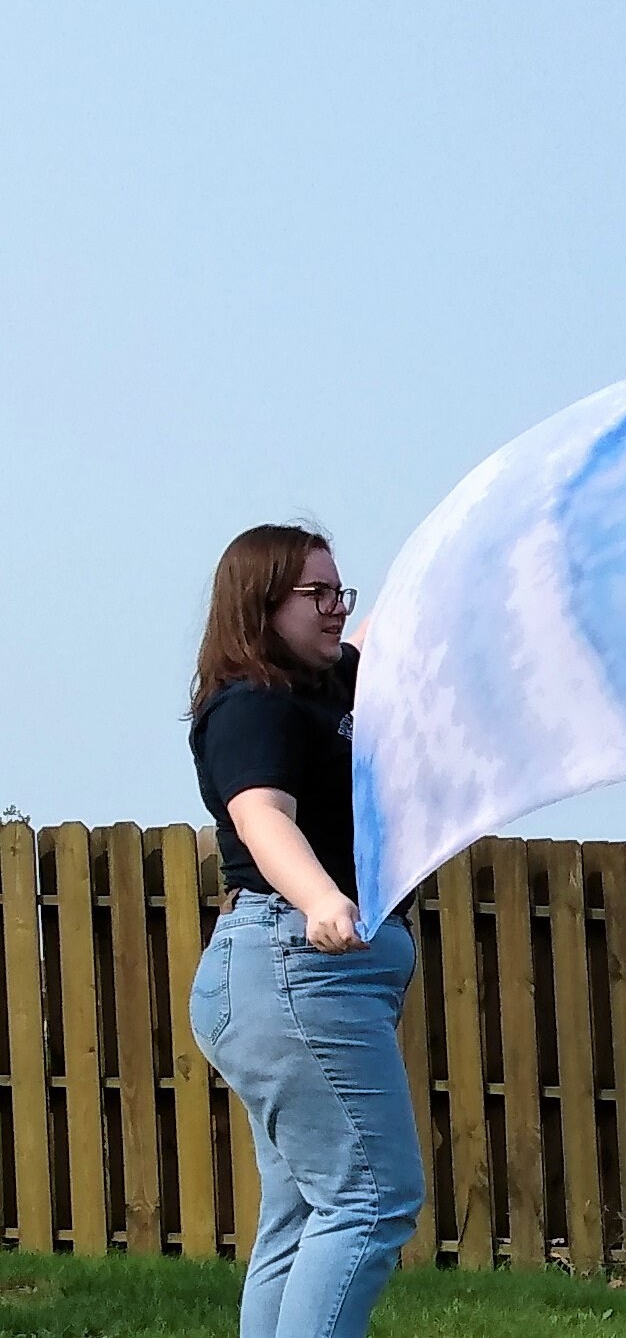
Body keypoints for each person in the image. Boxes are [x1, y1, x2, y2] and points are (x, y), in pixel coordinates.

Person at [186, 524, 422, 1338]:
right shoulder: (251, 703)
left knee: (299, 1219)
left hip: (297, 980)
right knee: (369, 1199)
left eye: (339, 590)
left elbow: (386, 641)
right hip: (296, 966)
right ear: (260, 604)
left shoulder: (332, 684)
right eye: (314, 593)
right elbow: (260, 817)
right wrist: (323, 897)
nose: (334, 607)